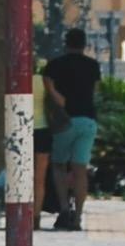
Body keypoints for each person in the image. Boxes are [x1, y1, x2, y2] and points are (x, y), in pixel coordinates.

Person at [40, 26, 101, 230]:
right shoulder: (93, 66)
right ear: (85, 45)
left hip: (65, 121)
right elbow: (96, 91)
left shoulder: (54, 65)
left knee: (58, 165)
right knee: (80, 169)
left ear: (66, 43)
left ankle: (65, 209)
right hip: (88, 120)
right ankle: (79, 216)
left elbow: (47, 86)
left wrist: (60, 101)